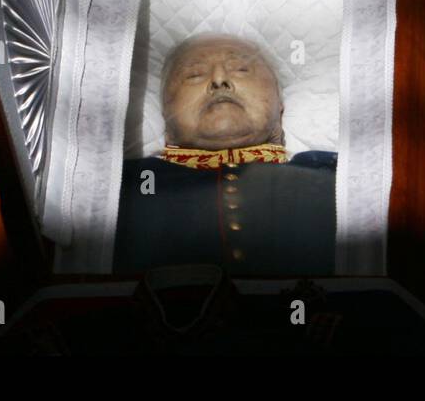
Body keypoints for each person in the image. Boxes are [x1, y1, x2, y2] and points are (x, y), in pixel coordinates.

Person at [113, 33, 337, 275]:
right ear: (166, 114)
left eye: (241, 69)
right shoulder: (116, 187)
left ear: (279, 105)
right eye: (194, 75)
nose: (219, 80)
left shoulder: (341, 178)